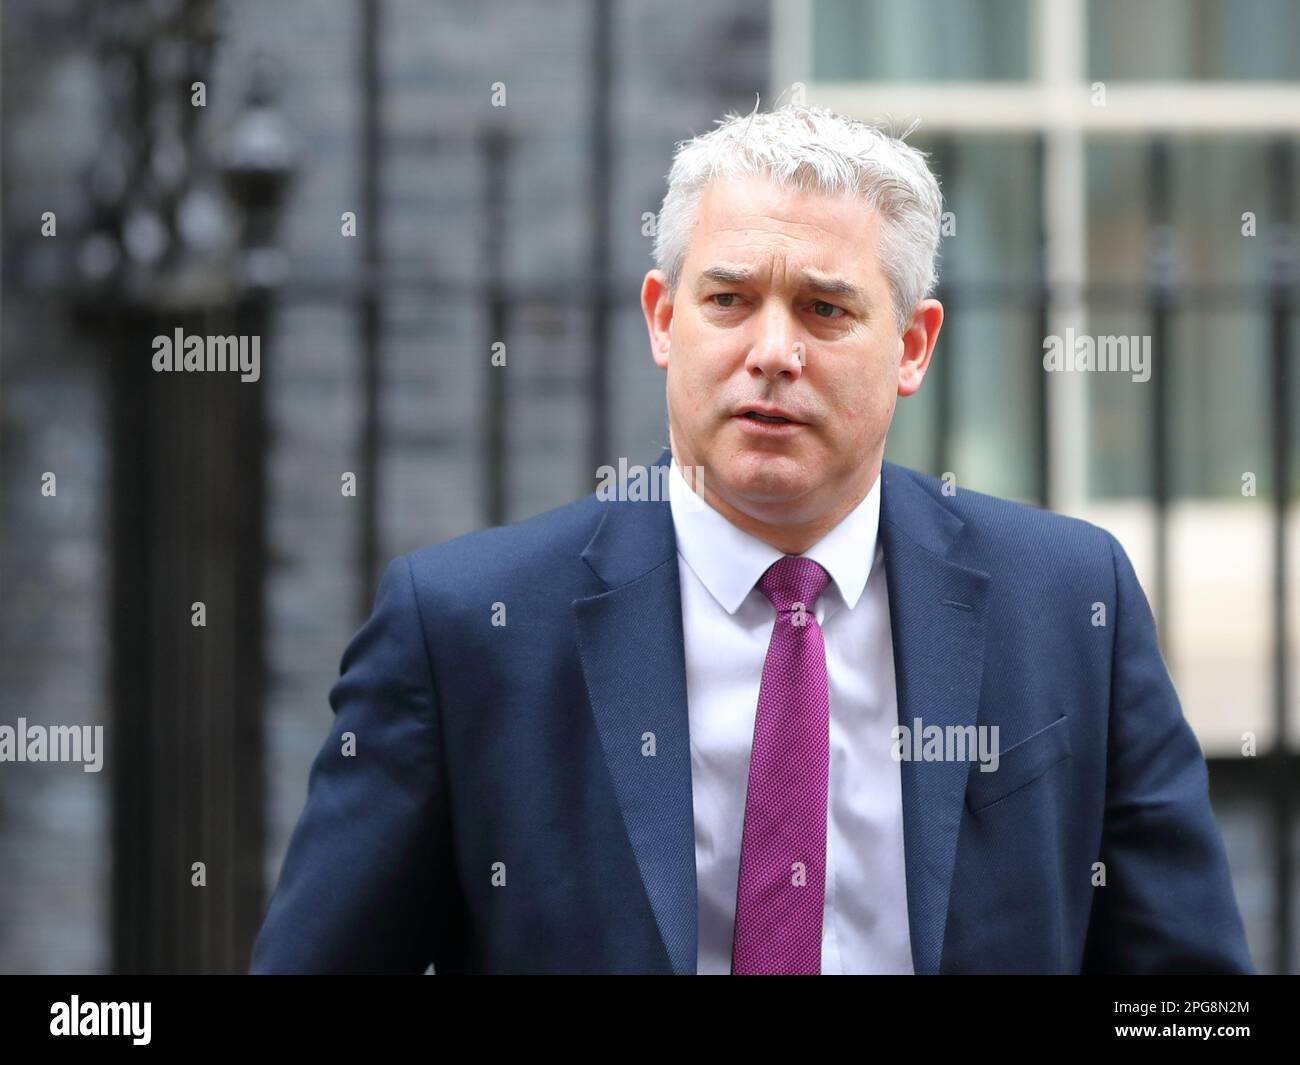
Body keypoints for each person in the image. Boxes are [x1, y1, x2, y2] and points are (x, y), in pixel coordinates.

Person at [249, 104, 1253, 974]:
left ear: (911, 347)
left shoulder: (1073, 604)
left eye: (824, 309)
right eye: (728, 300)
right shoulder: (465, 629)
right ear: (662, 318)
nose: (772, 354)